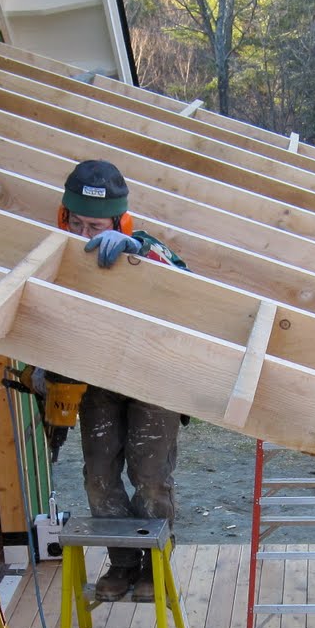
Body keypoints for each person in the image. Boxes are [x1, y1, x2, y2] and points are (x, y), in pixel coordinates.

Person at [57, 159, 186, 602]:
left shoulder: (143, 247)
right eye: (78, 223)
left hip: (154, 375)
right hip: (99, 377)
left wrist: (136, 250)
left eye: (96, 225)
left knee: (149, 475)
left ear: (119, 221)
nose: (86, 235)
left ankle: (154, 562)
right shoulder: (58, 249)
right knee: (99, 476)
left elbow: (185, 280)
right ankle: (124, 559)